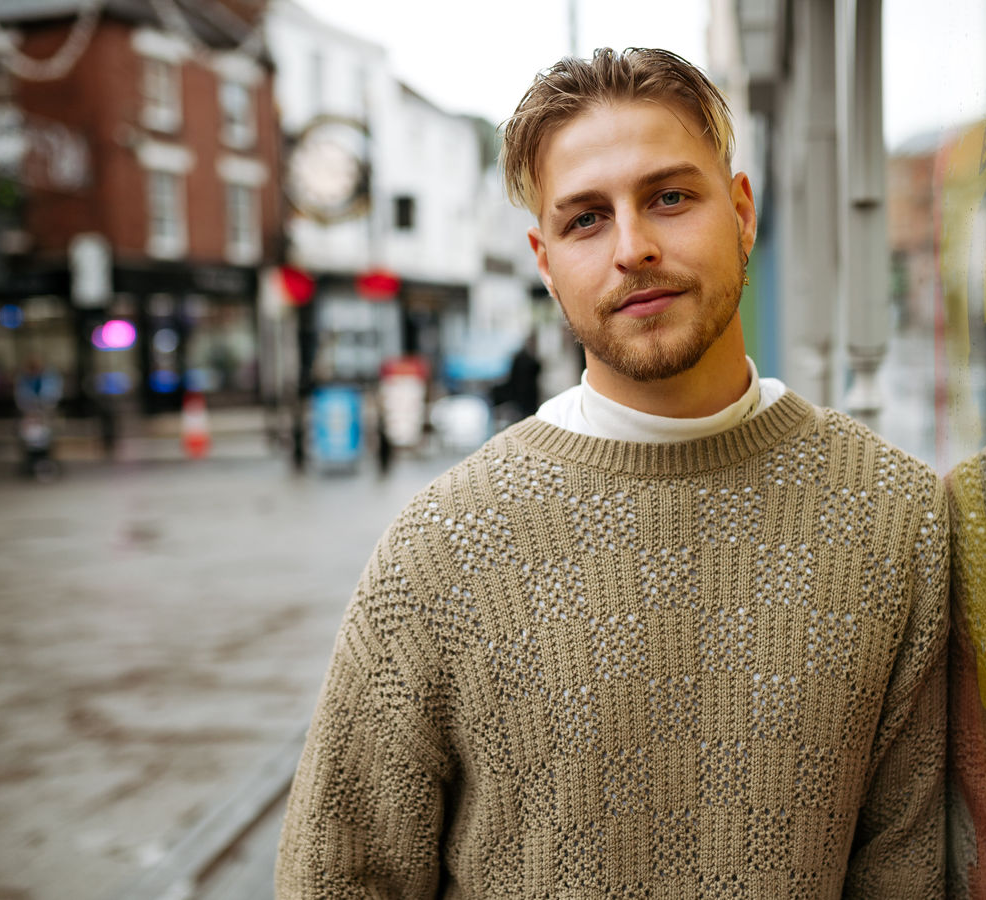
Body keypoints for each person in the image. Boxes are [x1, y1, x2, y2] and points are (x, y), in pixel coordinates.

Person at [276, 48, 948, 898]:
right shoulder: (442, 550)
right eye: (586, 219)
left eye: (670, 197)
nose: (633, 248)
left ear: (742, 213)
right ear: (544, 261)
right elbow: (336, 877)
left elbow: (910, 872)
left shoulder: (893, 516)